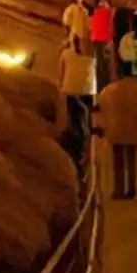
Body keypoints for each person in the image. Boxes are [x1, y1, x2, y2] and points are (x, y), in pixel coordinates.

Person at [97, 64, 137, 199]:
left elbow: (103, 104)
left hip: (116, 127)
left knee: (118, 161)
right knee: (132, 160)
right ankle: (132, 187)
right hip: (135, 127)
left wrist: (104, 123)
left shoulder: (112, 89)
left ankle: (119, 189)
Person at [57, 35, 95, 176]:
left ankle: (77, 149)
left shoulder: (66, 54)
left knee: (74, 119)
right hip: (87, 90)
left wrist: (61, 86)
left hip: (71, 89)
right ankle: (86, 149)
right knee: (87, 121)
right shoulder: (91, 55)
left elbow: (61, 71)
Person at [90, 0, 114, 88]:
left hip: (99, 39)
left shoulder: (97, 11)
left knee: (101, 63)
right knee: (104, 63)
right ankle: (104, 84)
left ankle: (101, 84)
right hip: (103, 40)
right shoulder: (107, 11)